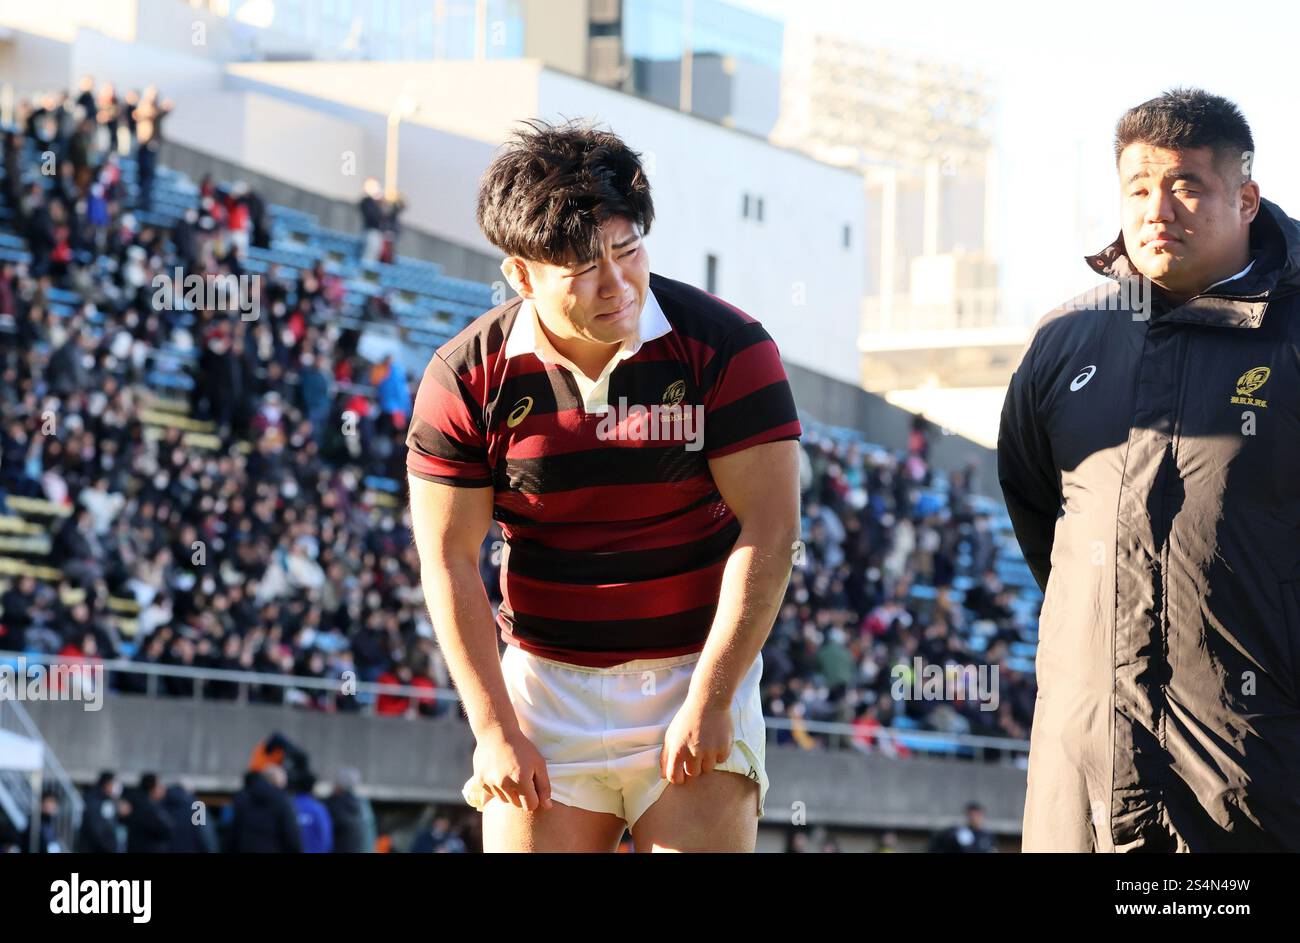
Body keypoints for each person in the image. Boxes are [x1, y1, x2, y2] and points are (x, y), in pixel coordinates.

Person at [406, 120, 802, 853]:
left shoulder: (729, 347)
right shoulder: (463, 376)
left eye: (627, 250)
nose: (616, 283)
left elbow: (771, 531)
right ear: (521, 273)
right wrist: (493, 729)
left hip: (694, 666)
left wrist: (714, 697)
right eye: (582, 268)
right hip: (546, 686)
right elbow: (449, 558)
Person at [999, 88, 1300, 852]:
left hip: (1256, 777)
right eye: (1139, 188)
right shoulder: (1065, 340)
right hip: (1085, 780)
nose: (1158, 208)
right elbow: (1043, 519)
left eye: (1187, 184)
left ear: (1246, 197)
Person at [227, 765, 303, 853]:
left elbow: (232, 834)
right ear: (278, 783)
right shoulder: (282, 801)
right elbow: (291, 836)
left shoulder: (243, 798)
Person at [124, 772, 173, 853]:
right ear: (152, 788)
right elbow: (166, 829)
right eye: (159, 786)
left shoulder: (140, 803)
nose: (163, 789)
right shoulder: (146, 808)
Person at [927, 802, 996, 853]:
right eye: (971, 815)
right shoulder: (959, 832)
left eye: (977, 815)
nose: (974, 818)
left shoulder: (987, 835)